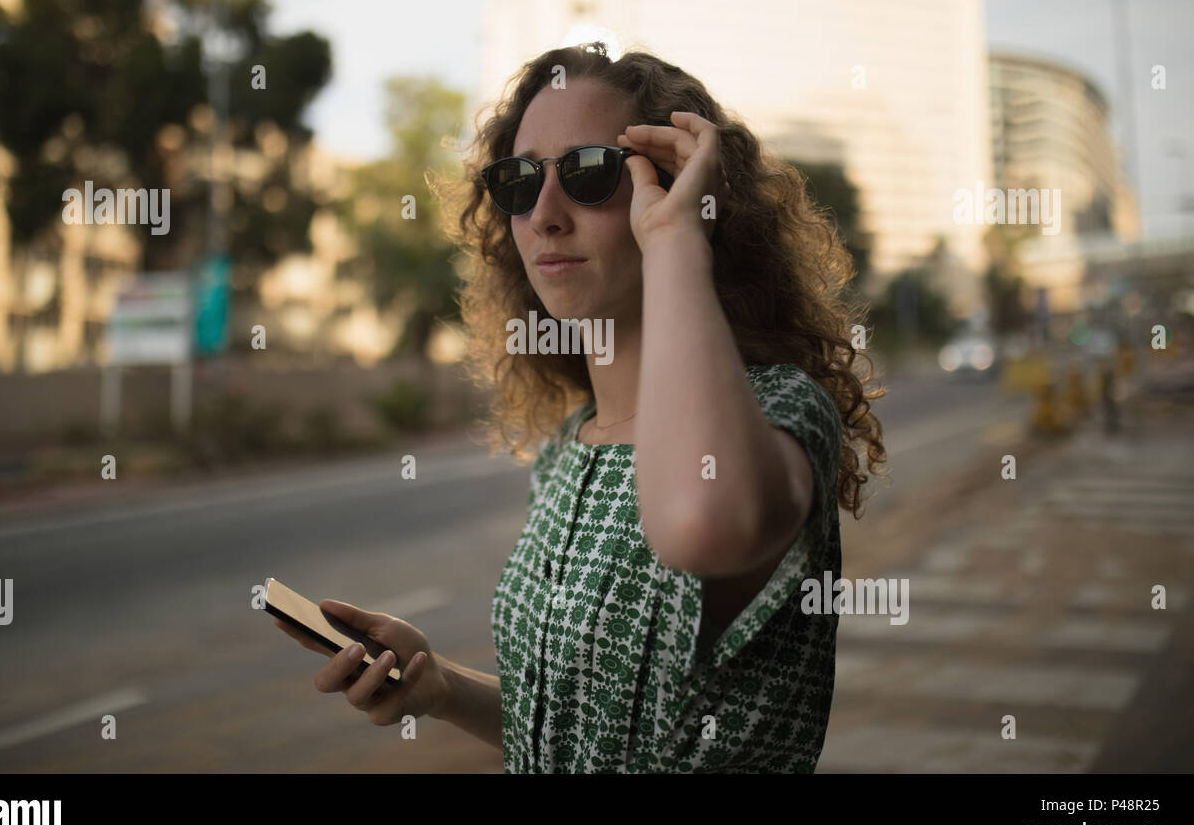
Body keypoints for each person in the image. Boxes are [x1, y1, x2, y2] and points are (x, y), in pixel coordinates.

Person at [274, 41, 886, 772]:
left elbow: (701, 522)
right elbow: (575, 738)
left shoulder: (780, 410)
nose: (545, 215)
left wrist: (671, 241)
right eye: (518, 182)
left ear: (682, 192)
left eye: (591, 175)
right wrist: (439, 686)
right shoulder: (570, 447)